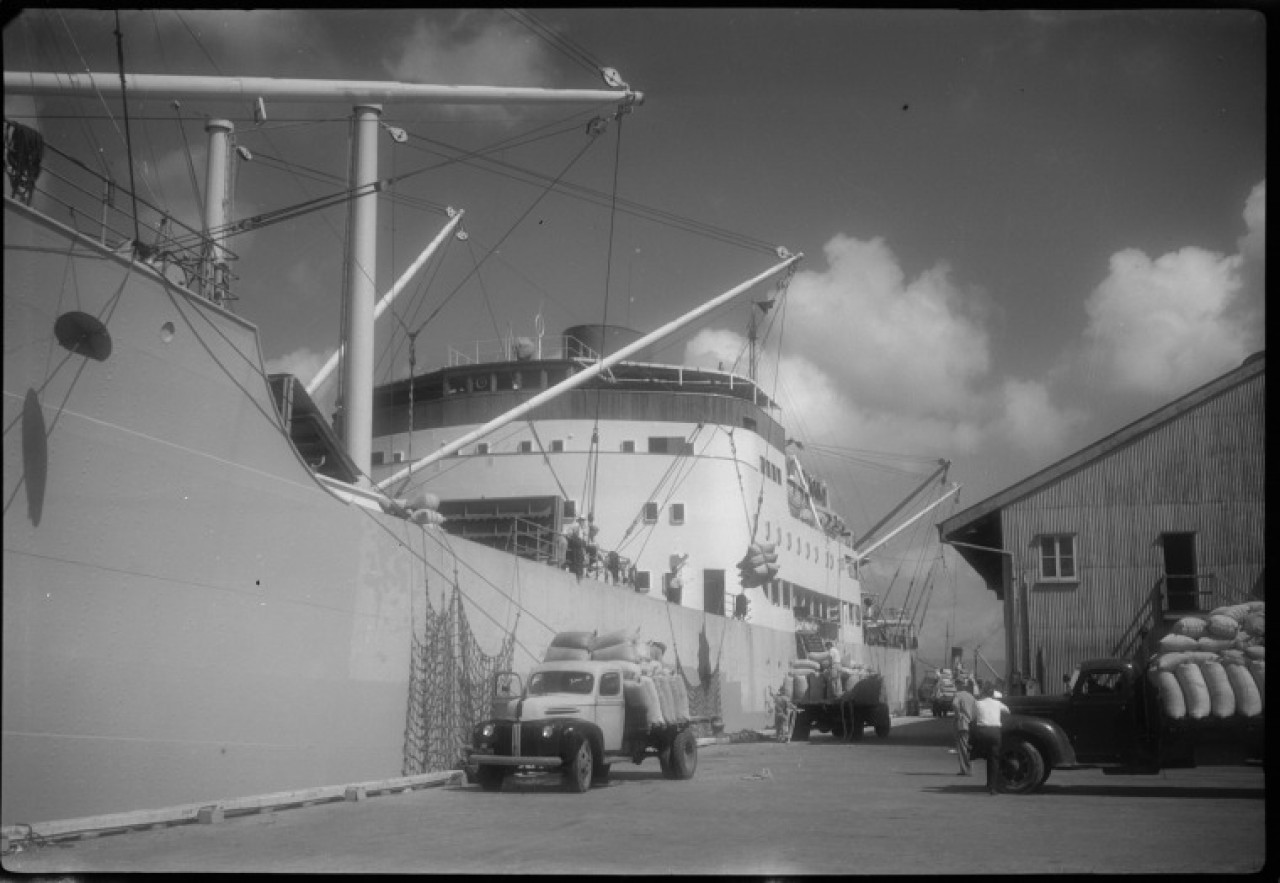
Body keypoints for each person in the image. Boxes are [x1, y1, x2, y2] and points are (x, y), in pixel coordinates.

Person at [971, 687, 1010, 794]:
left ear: (983, 694)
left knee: (986, 756)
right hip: (995, 732)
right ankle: (992, 787)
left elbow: (973, 717)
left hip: (982, 732)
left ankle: (974, 752)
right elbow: (1008, 711)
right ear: (993, 694)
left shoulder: (978, 703)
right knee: (994, 759)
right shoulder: (998, 703)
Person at [952, 679, 977, 776]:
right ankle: (968, 768)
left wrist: (958, 715)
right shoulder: (971, 696)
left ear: (958, 685)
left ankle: (966, 769)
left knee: (962, 748)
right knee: (968, 747)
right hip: (970, 724)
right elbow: (976, 710)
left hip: (962, 723)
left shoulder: (958, 695)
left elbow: (954, 704)